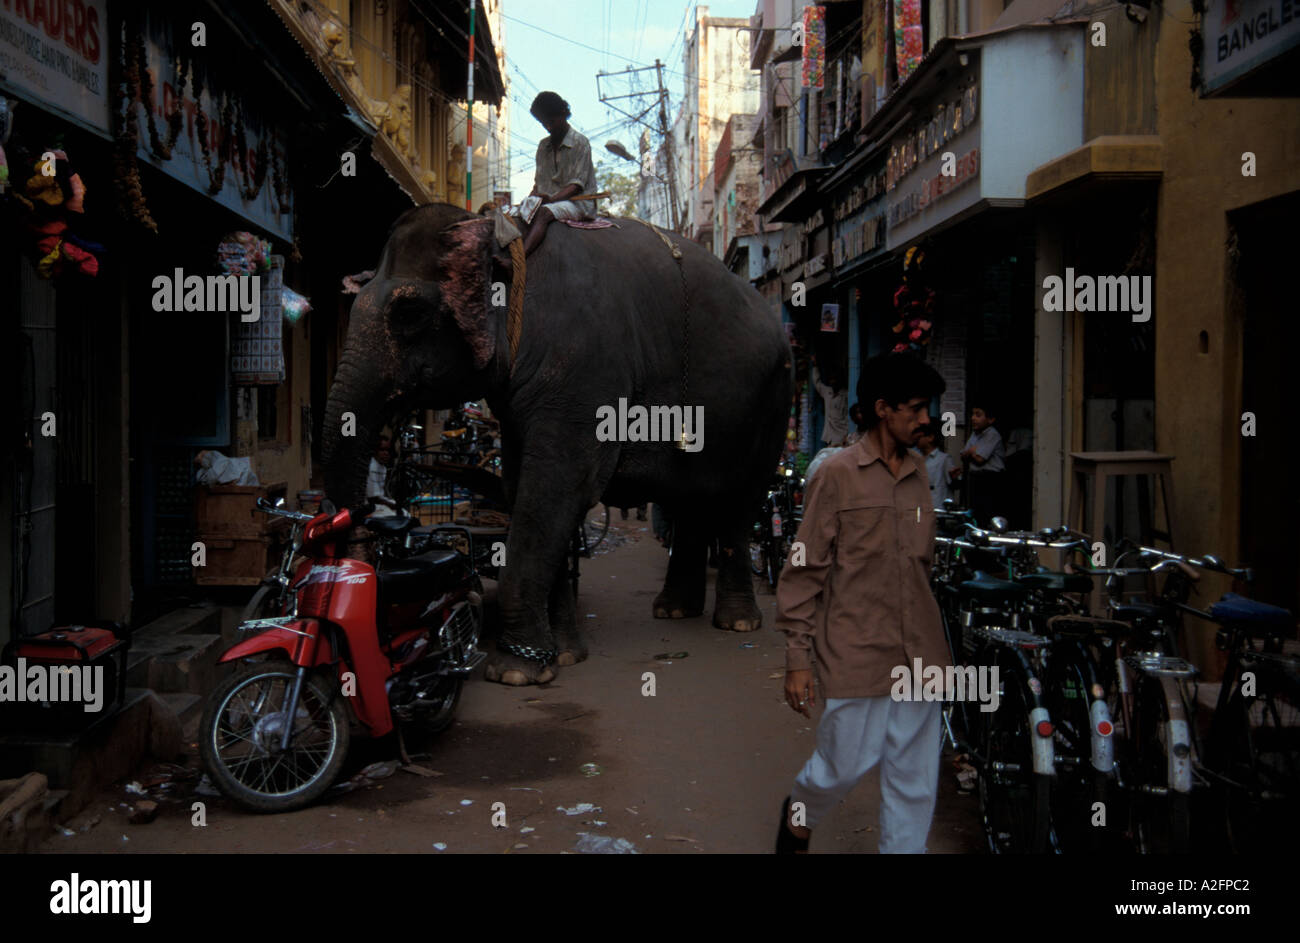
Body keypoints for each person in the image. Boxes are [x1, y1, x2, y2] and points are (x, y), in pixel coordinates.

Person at [775, 353, 949, 854]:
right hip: (855, 649)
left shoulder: (920, 475)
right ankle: (798, 814)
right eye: (915, 409)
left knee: (914, 783)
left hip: (921, 651)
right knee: (841, 766)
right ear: (881, 409)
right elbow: (805, 567)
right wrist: (797, 658)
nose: (925, 420)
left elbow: (920, 565)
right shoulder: (837, 475)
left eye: (927, 409)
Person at [522, 91, 597, 257]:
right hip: (548, 202)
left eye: (551, 121)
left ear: (563, 114)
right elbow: (538, 183)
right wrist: (528, 201)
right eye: (543, 124)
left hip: (577, 204)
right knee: (514, 214)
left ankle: (519, 259)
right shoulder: (543, 146)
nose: (548, 127)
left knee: (543, 214)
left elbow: (576, 187)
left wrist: (551, 200)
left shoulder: (580, 142)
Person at [960, 403, 1005, 525]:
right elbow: (963, 455)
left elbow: (980, 459)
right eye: (972, 414)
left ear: (990, 419)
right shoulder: (975, 434)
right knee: (976, 514)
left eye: (978, 415)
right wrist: (971, 451)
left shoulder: (992, 434)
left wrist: (971, 452)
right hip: (977, 478)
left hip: (990, 479)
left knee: (989, 513)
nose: (973, 418)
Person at [912, 424, 959, 509]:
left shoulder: (944, 459)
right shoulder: (916, 458)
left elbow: (954, 484)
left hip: (938, 507)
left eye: (920, 437)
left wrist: (954, 477)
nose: (916, 439)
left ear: (930, 437)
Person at [810, 355, 848, 447]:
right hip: (829, 436)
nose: (833, 382)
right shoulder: (828, 392)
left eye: (835, 379)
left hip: (841, 436)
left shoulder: (846, 395)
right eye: (831, 379)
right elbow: (817, 383)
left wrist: (846, 436)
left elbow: (848, 417)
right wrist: (815, 366)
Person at [366, 434, 395, 517]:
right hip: (372, 507)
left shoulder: (383, 468)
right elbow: (373, 498)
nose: (386, 453)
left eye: (388, 450)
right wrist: (390, 504)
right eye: (382, 450)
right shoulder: (372, 467)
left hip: (381, 504)